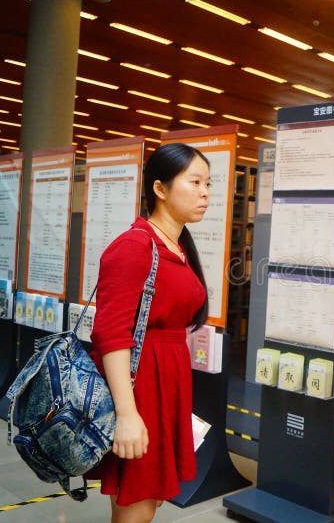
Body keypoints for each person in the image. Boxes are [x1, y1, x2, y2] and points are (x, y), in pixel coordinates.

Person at [87, 142, 211, 522]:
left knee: (148, 502)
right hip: (141, 388)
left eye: (208, 184)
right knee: (136, 508)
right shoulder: (135, 245)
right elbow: (111, 334)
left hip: (165, 383)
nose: (205, 193)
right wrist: (127, 414)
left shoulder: (176, 246)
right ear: (160, 188)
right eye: (195, 182)